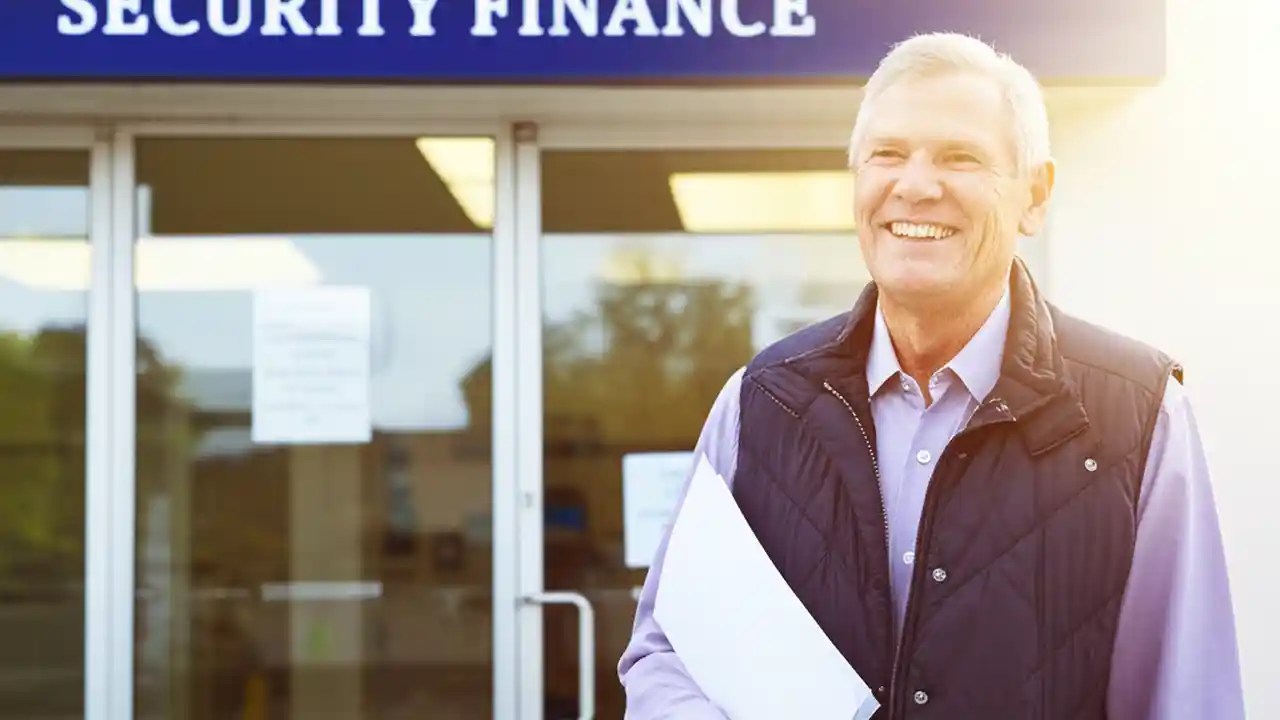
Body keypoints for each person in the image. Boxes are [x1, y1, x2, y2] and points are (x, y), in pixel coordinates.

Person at [618, 32, 1245, 719]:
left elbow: (1189, 700)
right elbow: (666, 652)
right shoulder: (759, 403)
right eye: (887, 154)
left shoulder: (1138, 415)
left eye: (960, 157)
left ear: (1034, 195)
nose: (914, 186)